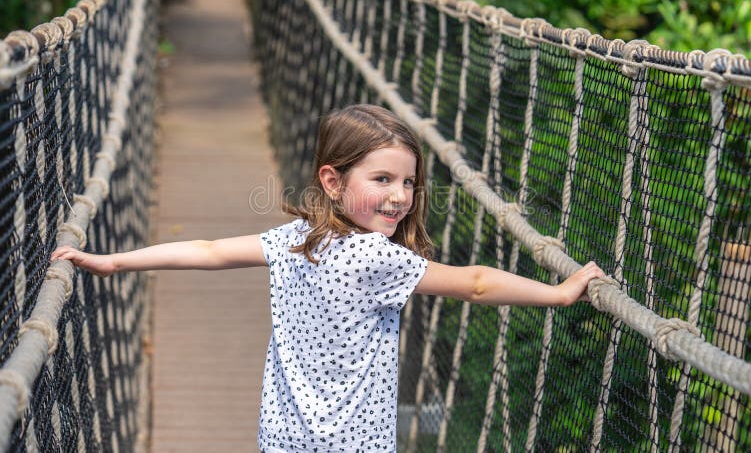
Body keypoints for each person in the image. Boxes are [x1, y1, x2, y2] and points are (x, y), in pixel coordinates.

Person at [51, 104, 605, 452]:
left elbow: (211, 249)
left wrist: (117, 261)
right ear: (332, 181)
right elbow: (477, 283)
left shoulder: (299, 240)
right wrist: (557, 293)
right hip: (354, 442)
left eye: (409, 183)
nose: (400, 196)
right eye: (383, 178)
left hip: (283, 438)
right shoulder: (373, 257)